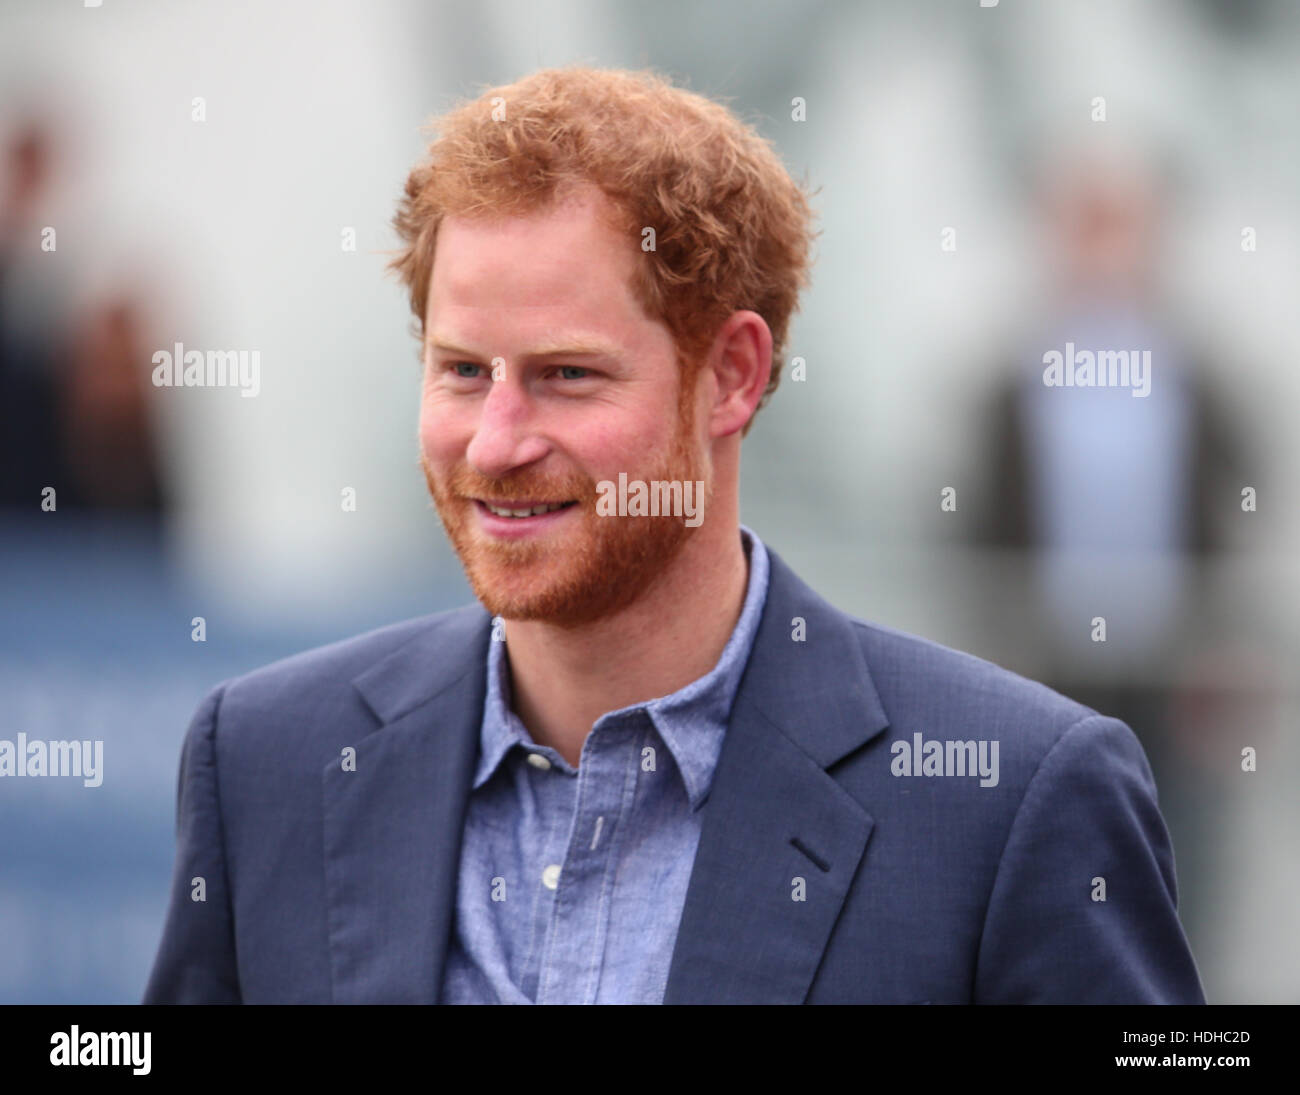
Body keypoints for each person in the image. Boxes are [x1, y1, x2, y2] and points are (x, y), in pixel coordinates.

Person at [143, 66, 1204, 1004]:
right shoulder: (265, 763)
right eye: (463, 370)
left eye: (567, 375)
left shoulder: (1010, 798)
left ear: (731, 377)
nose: (497, 442)